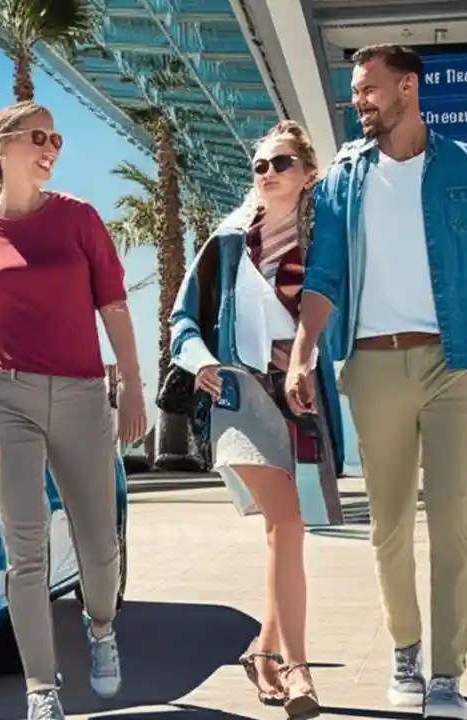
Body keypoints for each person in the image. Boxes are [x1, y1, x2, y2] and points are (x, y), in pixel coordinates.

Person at [284, 43, 467, 720]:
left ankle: (447, 676)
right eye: (355, 91)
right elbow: (324, 274)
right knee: (389, 527)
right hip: (372, 365)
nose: (358, 101)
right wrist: (303, 353)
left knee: (453, 526)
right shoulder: (342, 178)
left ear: (408, 88)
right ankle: (405, 650)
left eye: (369, 89)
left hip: (457, 362)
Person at [0, 100, 149, 720]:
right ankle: (41, 688)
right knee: (25, 550)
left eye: (56, 140)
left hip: (82, 395)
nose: (51, 149)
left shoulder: (79, 219)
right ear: (0, 149)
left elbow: (113, 305)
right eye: (38, 137)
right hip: (6, 396)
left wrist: (133, 387)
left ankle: (101, 626)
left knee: (99, 543)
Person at [168, 119, 344, 720]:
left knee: (287, 531)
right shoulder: (225, 241)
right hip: (238, 394)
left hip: (302, 395)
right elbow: (182, 320)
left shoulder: (327, 241)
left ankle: (263, 650)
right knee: (286, 523)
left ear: (308, 174)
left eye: (281, 163)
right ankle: (298, 670)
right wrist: (202, 361)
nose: (267, 173)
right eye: (260, 165)